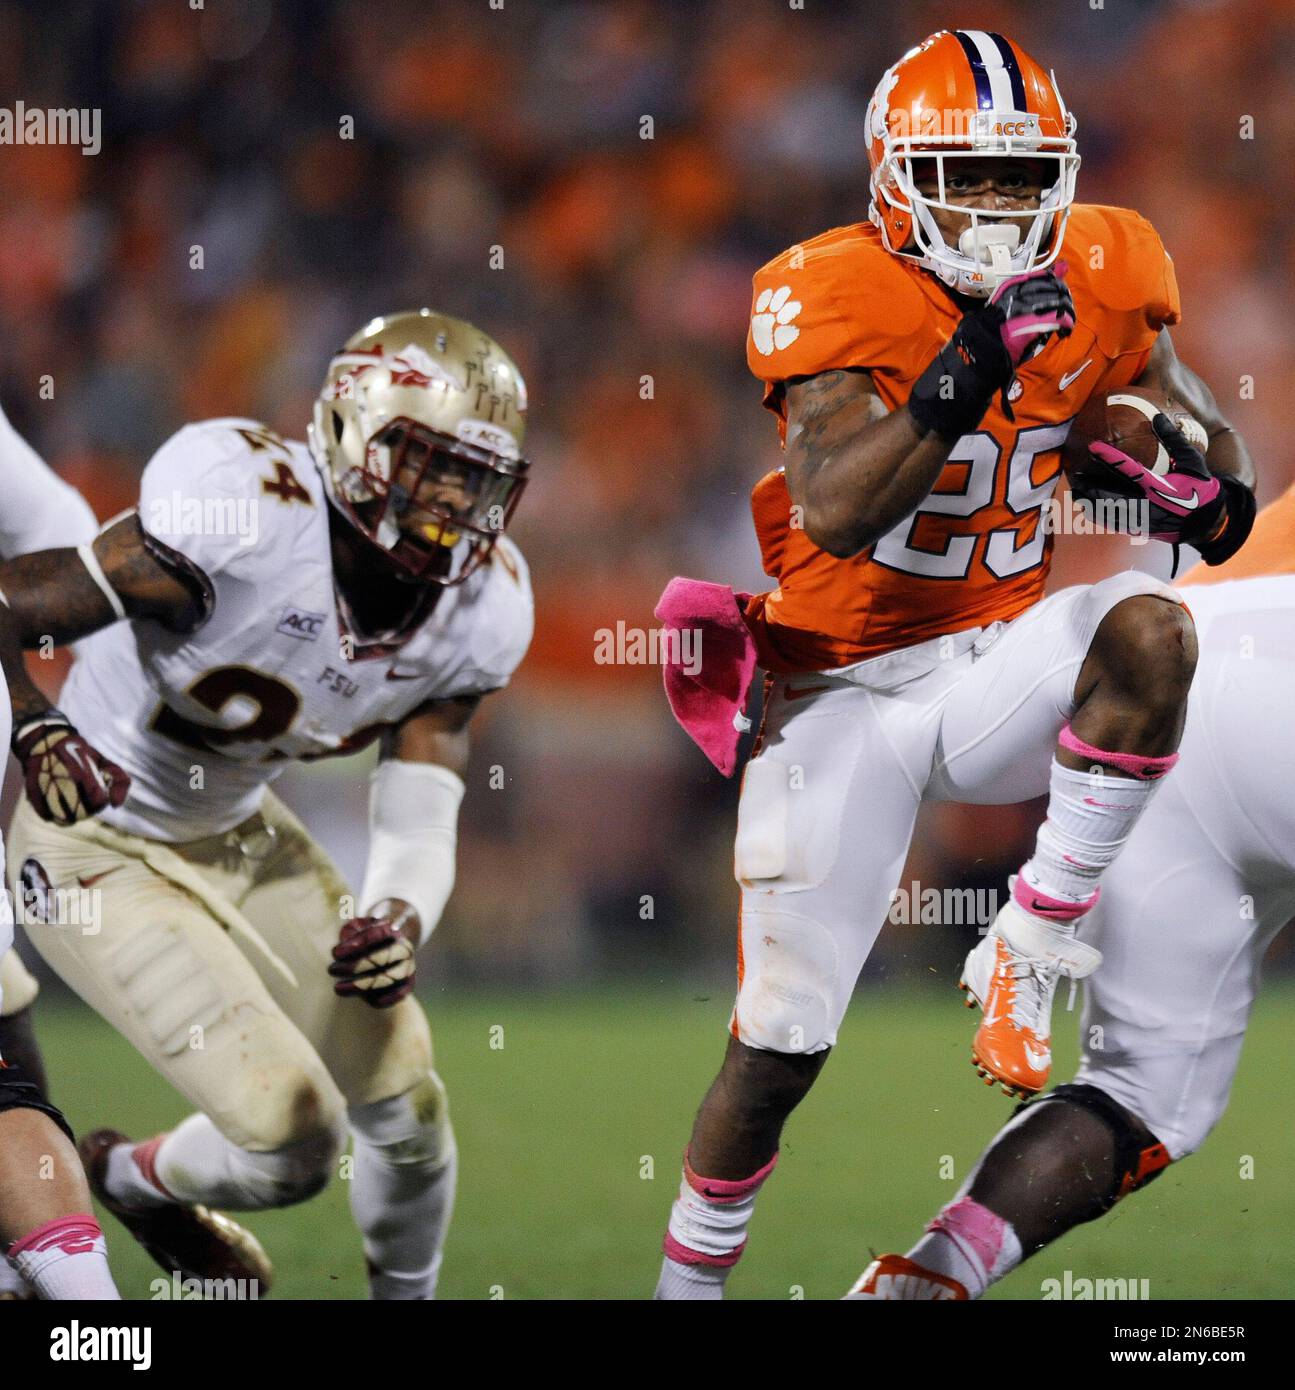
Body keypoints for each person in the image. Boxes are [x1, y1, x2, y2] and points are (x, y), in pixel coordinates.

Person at [653, 30, 1255, 1299]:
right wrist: (967, 366)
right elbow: (830, 510)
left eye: (1019, 175)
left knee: (1152, 625)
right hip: (843, 688)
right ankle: (687, 1285)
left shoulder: (1106, 264)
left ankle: (1028, 942)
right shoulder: (831, 288)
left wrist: (1194, 483)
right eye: (963, 176)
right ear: (890, 176)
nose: (995, 205)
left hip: (991, 658)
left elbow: (1209, 448)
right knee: (777, 1045)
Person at [0, 310, 533, 1300]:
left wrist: (399, 912)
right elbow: (13, 601)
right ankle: (127, 1178)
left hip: (239, 831)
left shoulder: (485, 605)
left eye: (476, 477)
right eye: (430, 463)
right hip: (93, 848)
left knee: (407, 1099)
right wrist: (35, 724)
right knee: (295, 1137)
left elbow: (425, 787)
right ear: (351, 435)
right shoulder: (243, 511)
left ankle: (153, 1190)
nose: (454, 500)